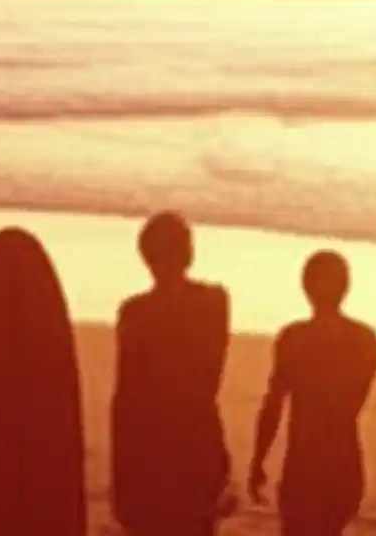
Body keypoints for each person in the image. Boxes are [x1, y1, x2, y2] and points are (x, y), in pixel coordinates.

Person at [112, 212, 233, 536]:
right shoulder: (214, 302)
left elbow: (125, 397)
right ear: (188, 253)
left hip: (149, 447)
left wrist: (121, 474)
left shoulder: (134, 313)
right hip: (196, 441)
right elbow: (210, 376)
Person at [247, 250, 376, 536]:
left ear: (305, 287)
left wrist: (258, 460)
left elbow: (273, 405)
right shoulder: (365, 340)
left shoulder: (293, 339)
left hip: (304, 465)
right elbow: (353, 402)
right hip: (344, 463)